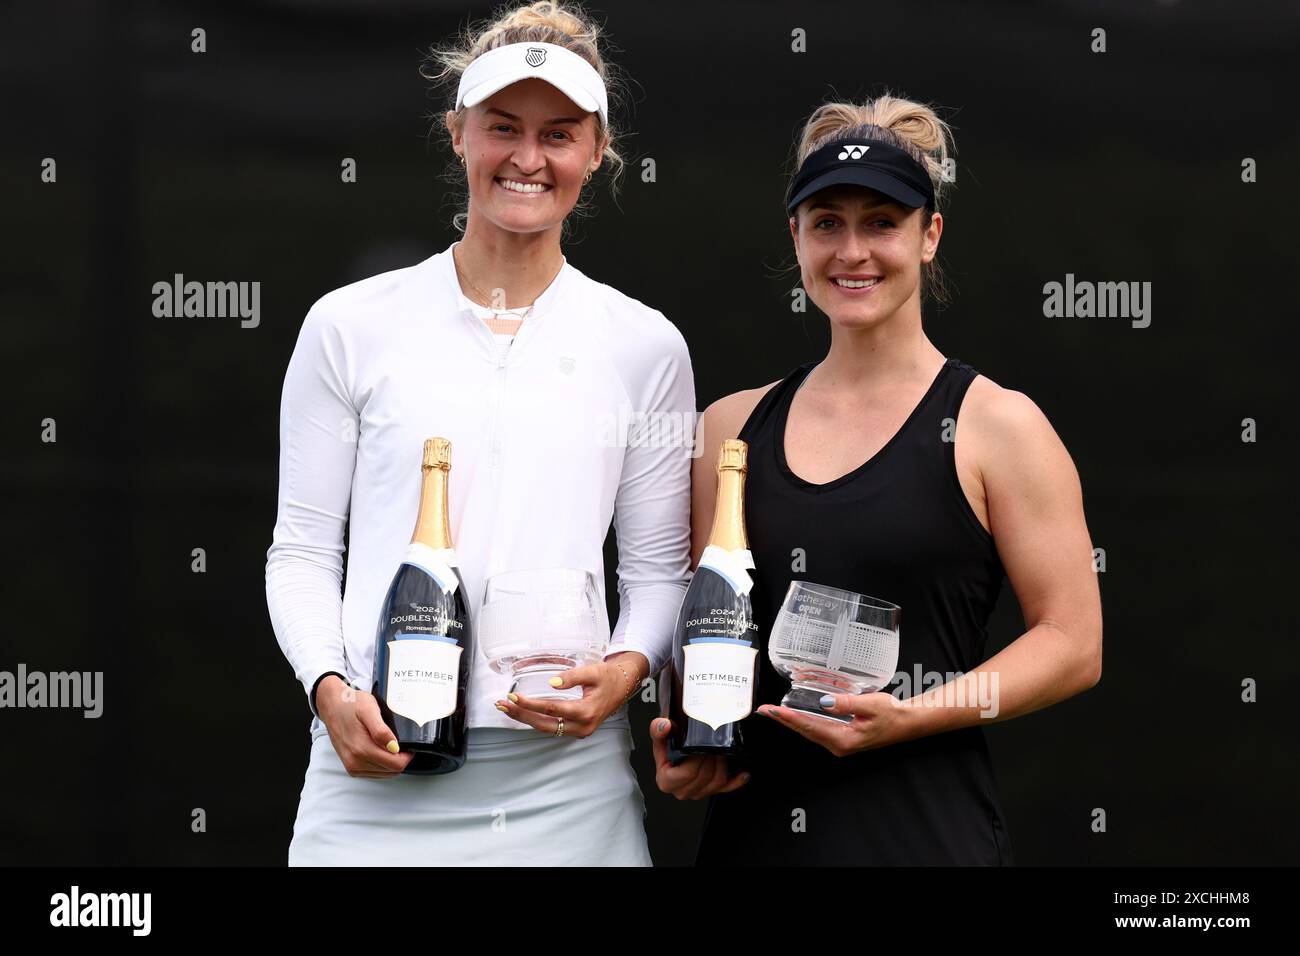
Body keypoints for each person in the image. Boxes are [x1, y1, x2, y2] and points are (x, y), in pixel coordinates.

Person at [266, 1, 695, 865]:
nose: (528, 159)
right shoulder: (350, 324)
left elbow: (657, 572)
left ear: (597, 151)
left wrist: (622, 675)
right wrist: (326, 687)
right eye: (503, 127)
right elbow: (304, 548)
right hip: (375, 770)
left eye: (559, 134)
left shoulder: (645, 345)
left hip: (567, 782)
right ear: (458, 132)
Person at [650, 93, 1103, 865]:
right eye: (827, 222)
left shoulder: (1000, 425)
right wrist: (686, 731)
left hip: (924, 835)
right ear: (795, 238)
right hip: (754, 842)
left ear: (930, 235)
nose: (852, 251)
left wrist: (912, 717)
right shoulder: (730, 429)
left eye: (881, 222)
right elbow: (704, 629)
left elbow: (1072, 643)